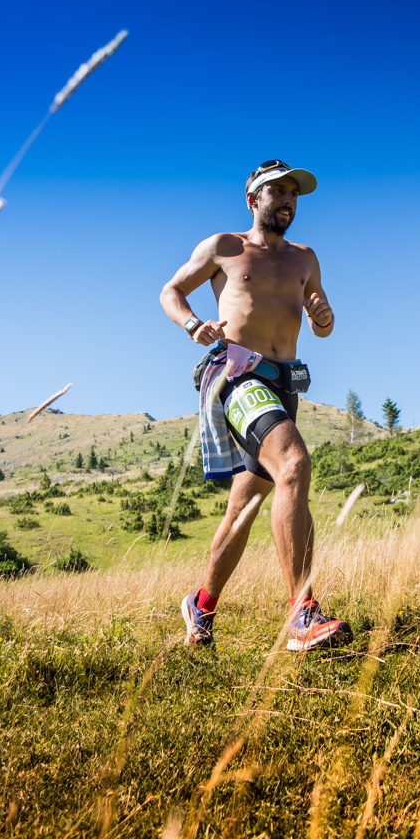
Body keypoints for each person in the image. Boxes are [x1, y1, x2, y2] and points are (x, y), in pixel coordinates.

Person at [159, 159, 353, 651]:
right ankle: (302, 615)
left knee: (244, 506)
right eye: (278, 191)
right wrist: (192, 324)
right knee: (293, 463)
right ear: (253, 199)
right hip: (234, 373)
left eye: (295, 193)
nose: (289, 199)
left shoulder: (305, 258)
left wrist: (323, 318)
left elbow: (321, 324)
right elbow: (171, 290)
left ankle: (200, 605)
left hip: (283, 382)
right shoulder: (225, 247)